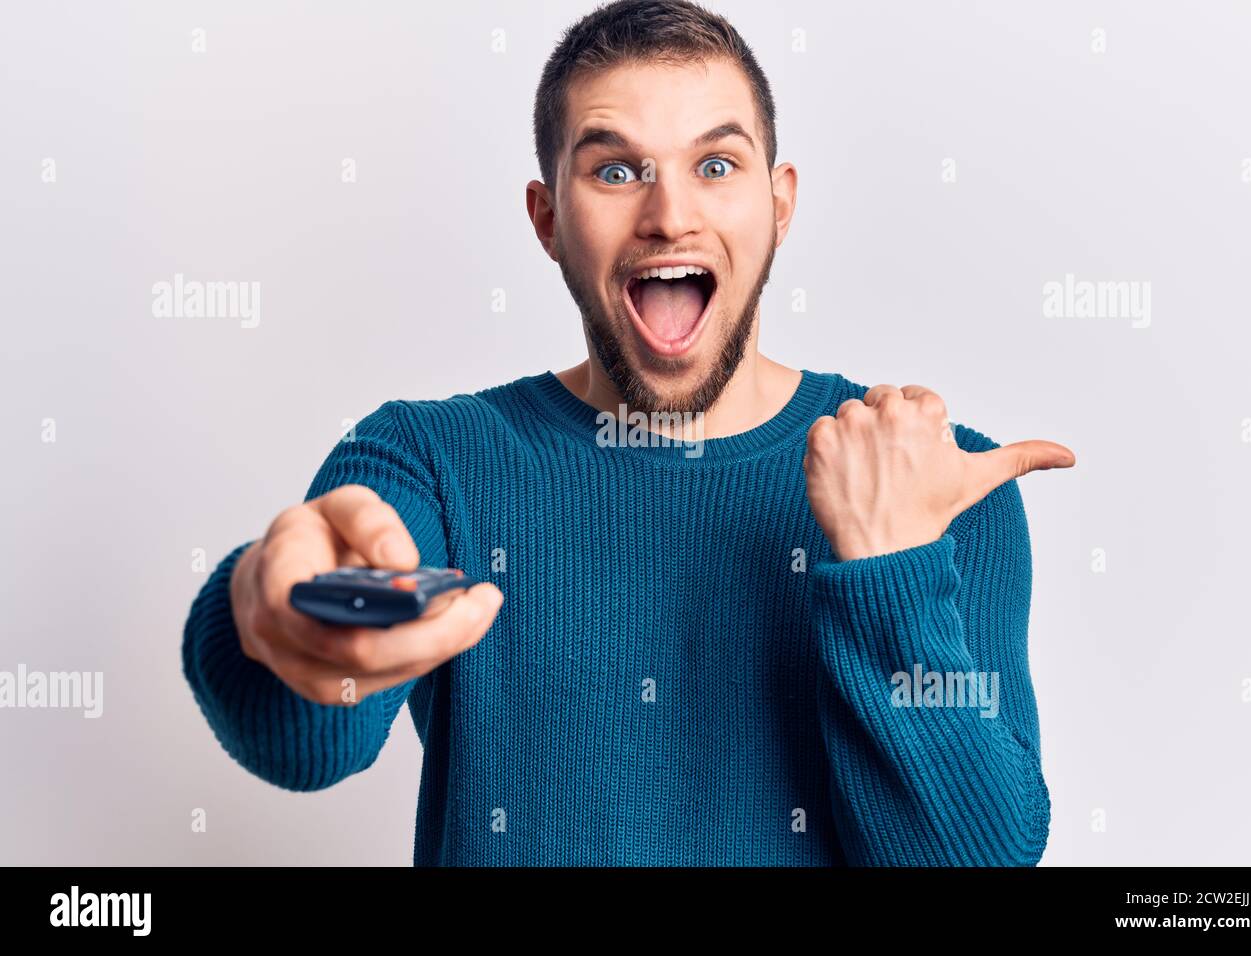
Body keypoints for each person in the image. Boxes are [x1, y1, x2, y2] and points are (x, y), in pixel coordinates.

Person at [182, 0, 1075, 866]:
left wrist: (893, 564)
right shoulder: (431, 461)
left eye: (716, 166)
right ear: (547, 221)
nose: (669, 216)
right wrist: (263, 612)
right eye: (615, 170)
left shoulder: (930, 480)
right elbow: (305, 738)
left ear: (780, 204)